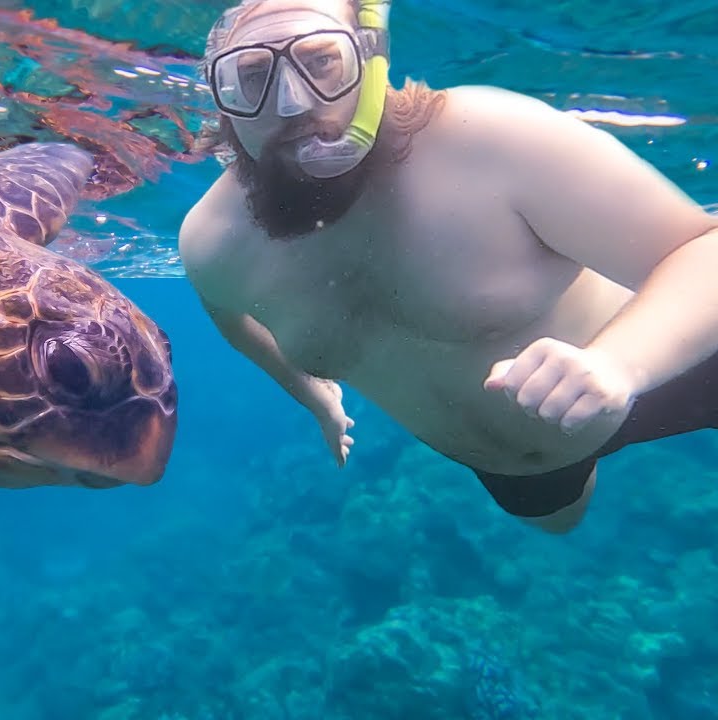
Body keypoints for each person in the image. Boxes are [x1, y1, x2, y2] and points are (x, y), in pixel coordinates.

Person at [179, 0, 718, 533]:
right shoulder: (213, 243)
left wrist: (620, 363)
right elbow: (232, 319)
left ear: (371, 59)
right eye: (252, 76)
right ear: (222, 101)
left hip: (669, 364)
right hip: (520, 468)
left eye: (321, 61)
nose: (293, 103)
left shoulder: (487, 135)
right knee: (558, 525)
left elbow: (704, 248)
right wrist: (314, 395)